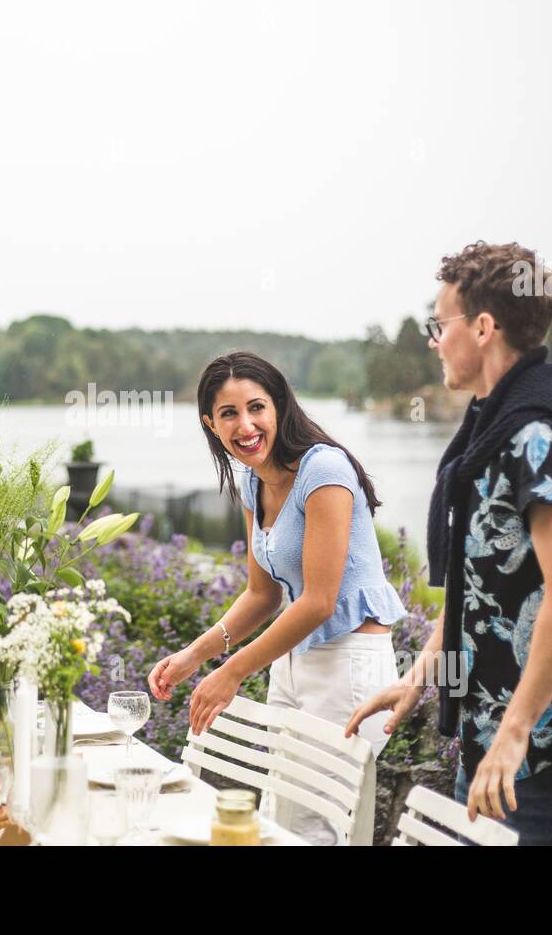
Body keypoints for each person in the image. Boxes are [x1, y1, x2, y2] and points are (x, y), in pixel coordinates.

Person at [347, 241, 552, 845]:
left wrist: (514, 732)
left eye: (439, 324)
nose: (433, 340)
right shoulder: (494, 428)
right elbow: (481, 589)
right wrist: (421, 676)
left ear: (482, 328)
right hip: (491, 747)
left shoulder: (542, 435)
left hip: (548, 757)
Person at [148, 351, 406, 844]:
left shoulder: (324, 469)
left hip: (349, 667)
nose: (245, 425)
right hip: (293, 663)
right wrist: (195, 656)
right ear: (211, 424)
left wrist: (232, 671)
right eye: (229, 414)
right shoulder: (253, 482)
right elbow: (262, 594)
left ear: (280, 406)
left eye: (256, 407)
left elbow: (318, 602)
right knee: (279, 823)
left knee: (313, 831)